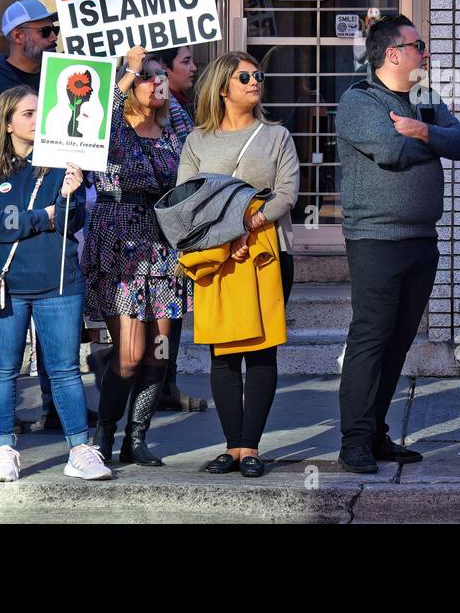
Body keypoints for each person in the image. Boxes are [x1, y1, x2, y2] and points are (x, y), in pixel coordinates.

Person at [334, 15, 460, 473]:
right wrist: (427, 142)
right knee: (370, 338)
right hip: (375, 239)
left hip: (421, 240)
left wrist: (423, 132)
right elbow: (389, 152)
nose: (425, 53)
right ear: (393, 54)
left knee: (398, 342)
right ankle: (354, 440)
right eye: (419, 45)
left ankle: (375, 433)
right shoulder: (359, 101)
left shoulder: (426, 100)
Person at [0, 86, 110, 482]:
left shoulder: (64, 164)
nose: (37, 119)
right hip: (5, 284)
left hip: (59, 281)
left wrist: (65, 199)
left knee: (64, 370)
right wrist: (41, 217)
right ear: (8, 121)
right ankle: (2, 450)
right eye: (28, 113)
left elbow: (71, 222)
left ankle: (80, 449)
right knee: (2, 371)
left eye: (39, 112)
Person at [176, 51, 300, 477]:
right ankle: (232, 445)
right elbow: (185, 199)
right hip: (218, 255)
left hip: (267, 251)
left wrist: (252, 222)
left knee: (262, 351)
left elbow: (286, 193)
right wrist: (229, 235)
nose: (254, 81)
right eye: (244, 76)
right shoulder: (197, 140)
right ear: (222, 88)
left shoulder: (276, 135)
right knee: (222, 353)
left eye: (258, 75)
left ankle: (251, 448)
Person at [0, 0, 73, 432]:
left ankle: (58, 410)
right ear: (18, 35)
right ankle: (1, 439)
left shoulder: (61, 74)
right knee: (2, 364)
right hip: (8, 206)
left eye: (55, 31)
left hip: (55, 192)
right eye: (45, 32)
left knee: (61, 349)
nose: (53, 39)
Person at [85, 47, 195, 466]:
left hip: (165, 244)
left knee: (159, 352)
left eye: (159, 76)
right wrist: (130, 69)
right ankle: (104, 436)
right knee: (129, 354)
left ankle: (137, 438)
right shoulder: (112, 127)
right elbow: (98, 111)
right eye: (149, 78)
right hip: (120, 241)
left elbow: (195, 148)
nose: (157, 83)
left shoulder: (172, 129)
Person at [146, 45, 205, 413]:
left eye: (160, 77)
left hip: (171, 227)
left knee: (169, 314)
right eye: (185, 61)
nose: (156, 84)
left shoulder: (179, 112)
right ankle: (138, 372)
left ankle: (163, 379)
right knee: (147, 317)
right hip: (137, 230)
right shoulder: (126, 121)